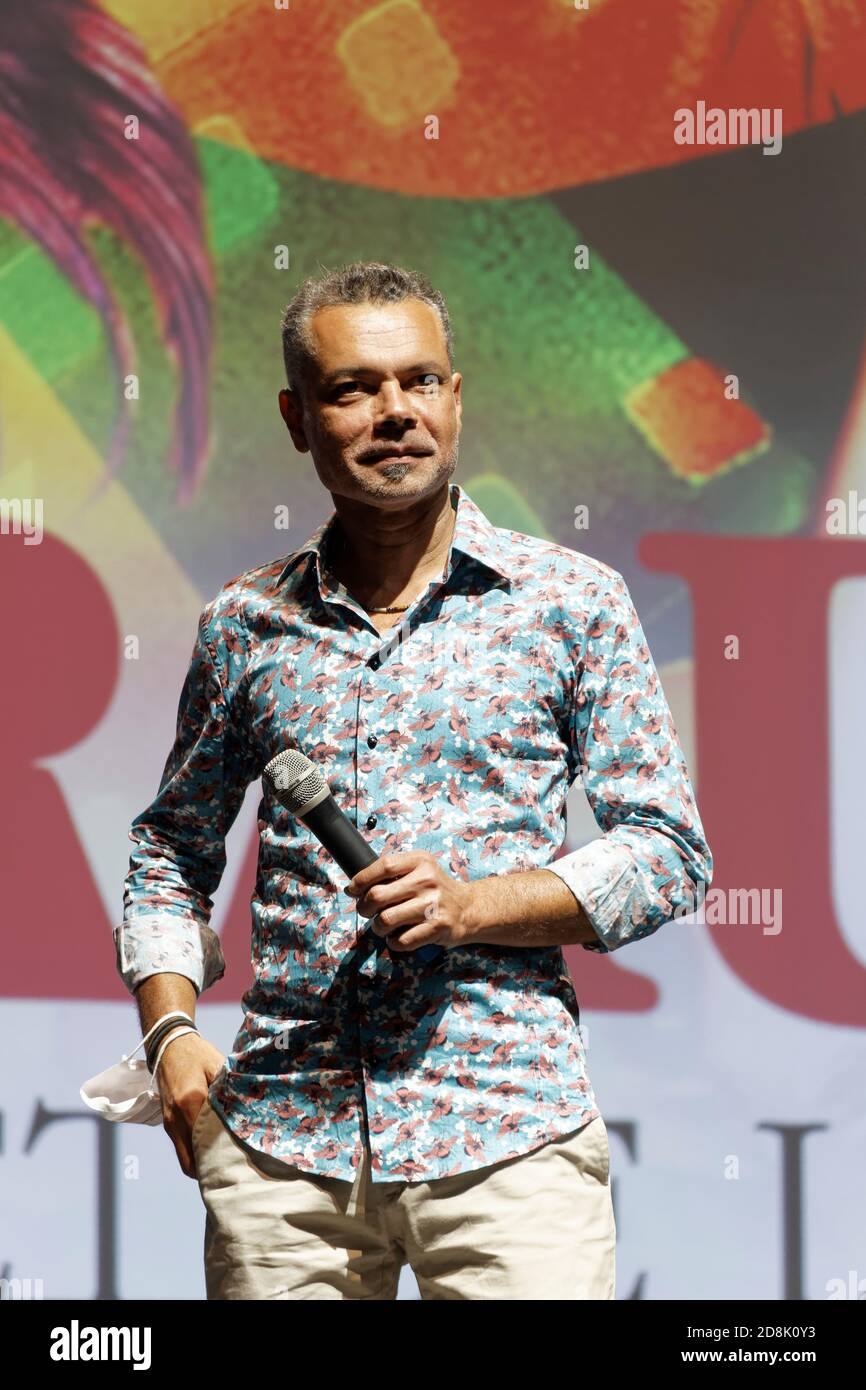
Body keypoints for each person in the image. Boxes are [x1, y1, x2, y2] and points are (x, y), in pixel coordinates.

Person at [115, 260, 713, 1300]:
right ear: (298, 418)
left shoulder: (568, 603)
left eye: (419, 380)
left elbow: (665, 850)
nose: (394, 411)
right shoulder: (245, 624)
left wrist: (473, 902)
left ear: (456, 397)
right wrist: (168, 1032)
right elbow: (170, 848)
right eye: (353, 388)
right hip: (283, 1145)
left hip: (506, 1133)